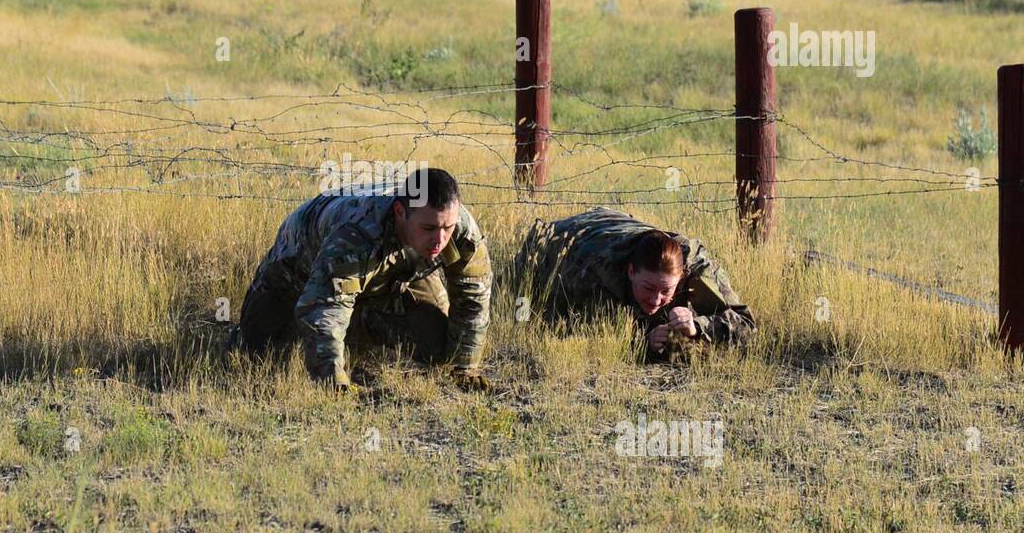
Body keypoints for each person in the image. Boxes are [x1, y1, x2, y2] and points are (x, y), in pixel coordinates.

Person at [237, 167, 492, 388]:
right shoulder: (356, 233)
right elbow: (326, 306)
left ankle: (360, 328)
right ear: (400, 212)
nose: (440, 240)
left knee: (439, 345)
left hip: (394, 271)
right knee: (257, 355)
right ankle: (344, 331)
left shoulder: (460, 230)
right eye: (429, 229)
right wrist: (333, 380)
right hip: (297, 272)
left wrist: (464, 368)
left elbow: (473, 298)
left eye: (447, 228)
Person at [516, 206, 754, 358]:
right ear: (630, 272)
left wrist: (697, 328)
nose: (656, 300)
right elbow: (572, 339)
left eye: (666, 291)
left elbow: (746, 327)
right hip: (558, 241)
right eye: (649, 288)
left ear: (681, 277)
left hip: (616, 225)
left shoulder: (696, 265)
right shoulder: (594, 271)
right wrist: (642, 344)